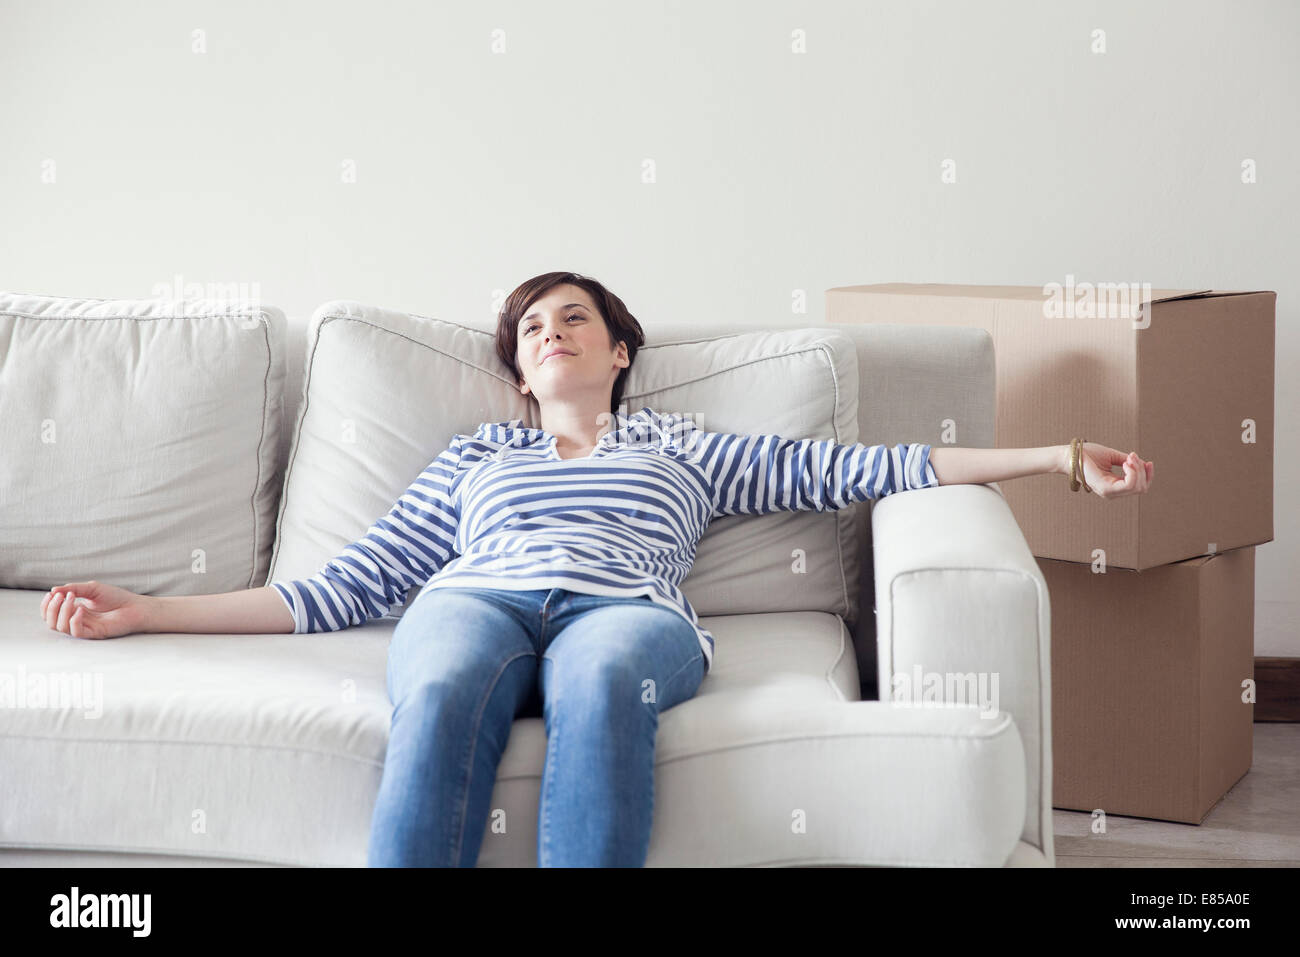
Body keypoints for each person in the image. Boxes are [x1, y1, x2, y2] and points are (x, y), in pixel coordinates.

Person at [39, 270, 1154, 867]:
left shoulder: (686, 447)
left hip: (626, 613)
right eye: (531, 328)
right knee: (432, 687)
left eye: (575, 318)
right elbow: (345, 589)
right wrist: (151, 610)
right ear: (518, 373)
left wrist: (1057, 457)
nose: (551, 332)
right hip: (475, 601)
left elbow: (874, 463)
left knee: (601, 683)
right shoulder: (477, 454)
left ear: (620, 352)